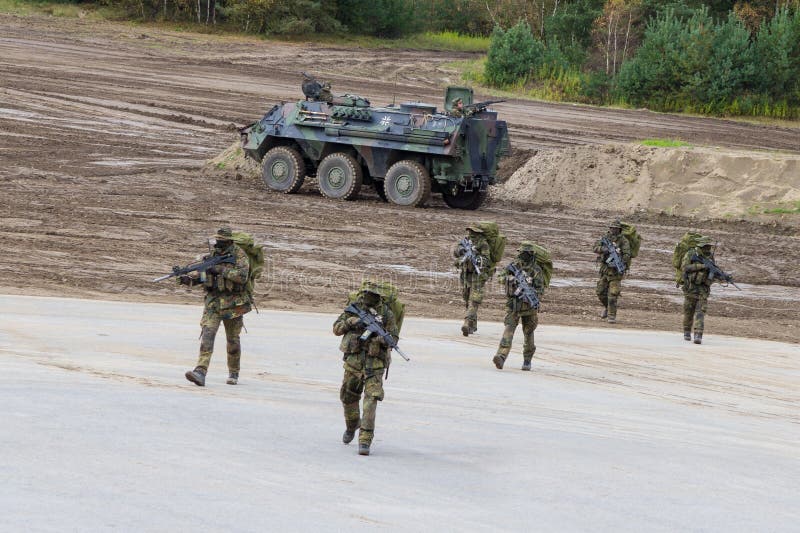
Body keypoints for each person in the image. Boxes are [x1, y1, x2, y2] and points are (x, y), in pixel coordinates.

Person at [333, 282, 399, 456]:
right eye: (368, 294)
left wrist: (380, 339)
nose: (370, 297)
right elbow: (336, 329)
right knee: (348, 397)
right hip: (354, 362)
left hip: (374, 365)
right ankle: (352, 424)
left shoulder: (387, 314)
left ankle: (365, 440)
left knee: (371, 401)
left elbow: (394, 338)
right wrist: (351, 322)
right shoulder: (353, 308)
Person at [181, 227, 251, 387]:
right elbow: (203, 277)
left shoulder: (239, 255)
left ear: (228, 241)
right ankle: (200, 371)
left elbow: (242, 276)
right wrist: (190, 280)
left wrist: (220, 269)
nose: (217, 243)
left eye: (220, 240)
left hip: (234, 304)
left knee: (232, 340)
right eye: (216, 240)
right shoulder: (212, 256)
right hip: (213, 302)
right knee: (207, 334)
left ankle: (234, 372)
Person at [492, 242, 546, 371]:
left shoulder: (536, 270)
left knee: (528, 334)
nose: (523, 255)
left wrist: (530, 292)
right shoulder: (513, 266)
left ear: (531, 254)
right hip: (514, 305)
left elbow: (540, 289)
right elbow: (500, 277)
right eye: (522, 253)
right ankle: (501, 356)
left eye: (526, 253)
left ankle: (527, 360)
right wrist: (510, 279)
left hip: (529, 308)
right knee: (508, 330)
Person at [454, 225, 492, 336]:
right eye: (469, 231)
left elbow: (487, 259)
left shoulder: (483, 243)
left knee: (474, 300)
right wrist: (461, 252)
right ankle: (472, 325)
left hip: (478, 276)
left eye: (473, 231)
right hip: (466, 275)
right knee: (466, 298)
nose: (470, 233)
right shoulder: (466, 241)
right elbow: (456, 253)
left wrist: (476, 258)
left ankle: (466, 322)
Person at [680, 236, 718, 344]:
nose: (707, 249)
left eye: (708, 246)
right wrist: (701, 266)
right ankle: (687, 331)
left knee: (700, 312)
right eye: (705, 246)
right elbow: (685, 268)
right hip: (690, 287)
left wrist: (710, 280)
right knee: (688, 311)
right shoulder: (691, 254)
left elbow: (713, 273)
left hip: (703, 289)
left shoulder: (710, 257)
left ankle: (698, 334)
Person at [593, 219, 631, 324]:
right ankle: (607, 307)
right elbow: (595, 248)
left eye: (616, 228)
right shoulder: (605, 238)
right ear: (610, 228)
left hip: (616, 273)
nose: (614, 230)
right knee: (600, 292)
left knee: (613, 294)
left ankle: (611, 316)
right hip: (605, 271)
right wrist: (604, 249)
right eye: (612, 228)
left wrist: (619, 260)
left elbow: (627, 254)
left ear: (619, 230)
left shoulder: (623, 241)